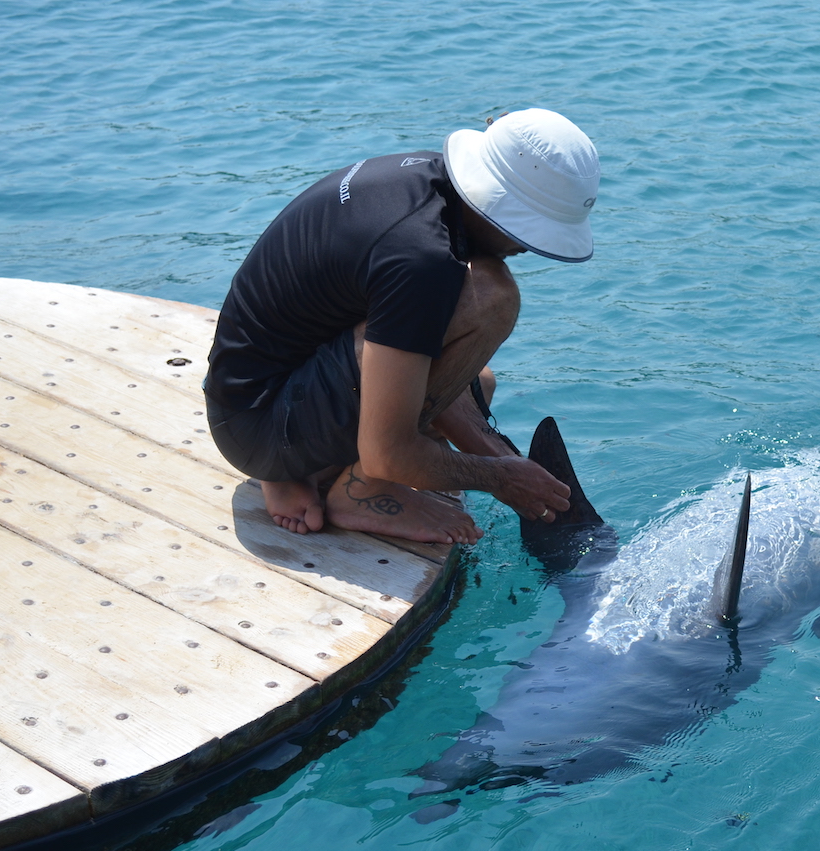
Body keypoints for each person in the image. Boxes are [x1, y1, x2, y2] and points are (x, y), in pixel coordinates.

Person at [203, 109, 600, 545]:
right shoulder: (420, 259)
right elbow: (388, 454)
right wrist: (501, 479)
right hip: (259, 425)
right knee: (492, 297)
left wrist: (517, 470)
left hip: (252, 394)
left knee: (479, 383)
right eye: (529, 234)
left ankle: (303, 470)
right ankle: (359, 493)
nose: (527, 249)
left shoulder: (424, 182)